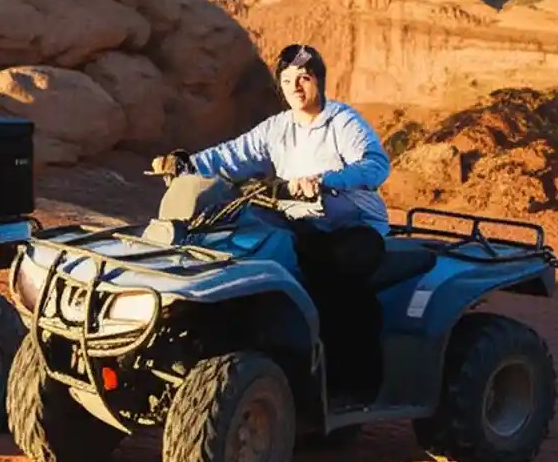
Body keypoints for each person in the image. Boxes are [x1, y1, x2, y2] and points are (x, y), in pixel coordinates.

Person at [152, 43, 391, 398]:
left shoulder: (342, 121)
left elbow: (376, 165)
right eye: (287, 80)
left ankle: (351, 380)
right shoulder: (277, 128)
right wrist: (185, 164)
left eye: (304, 78)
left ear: (319, 82)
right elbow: (232, 155)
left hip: (352, 226)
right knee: (248, 248)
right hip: (300, 222)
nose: (295, 87)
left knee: (335, 276)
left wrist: (324, 181)